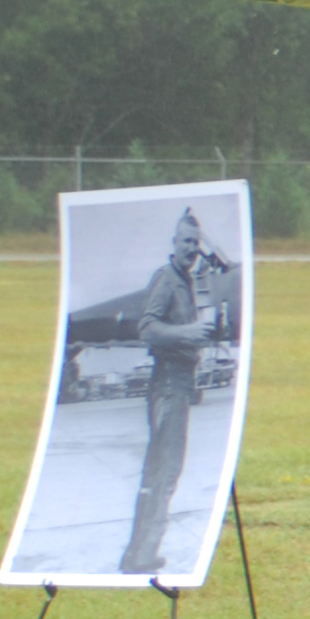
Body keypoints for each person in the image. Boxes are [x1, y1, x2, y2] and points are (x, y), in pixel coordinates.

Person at [118, 207, 217, 575]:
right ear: (174, 243)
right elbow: (147, 328)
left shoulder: (186, 281)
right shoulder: (166, 279)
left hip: (180, 380)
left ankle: (141, 552)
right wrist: (188, 334)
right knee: (163, 470)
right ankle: (139, 556)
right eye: (186, 241)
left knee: (163, 470)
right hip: (169, 380)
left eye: (196, 242)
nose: (192, 248)